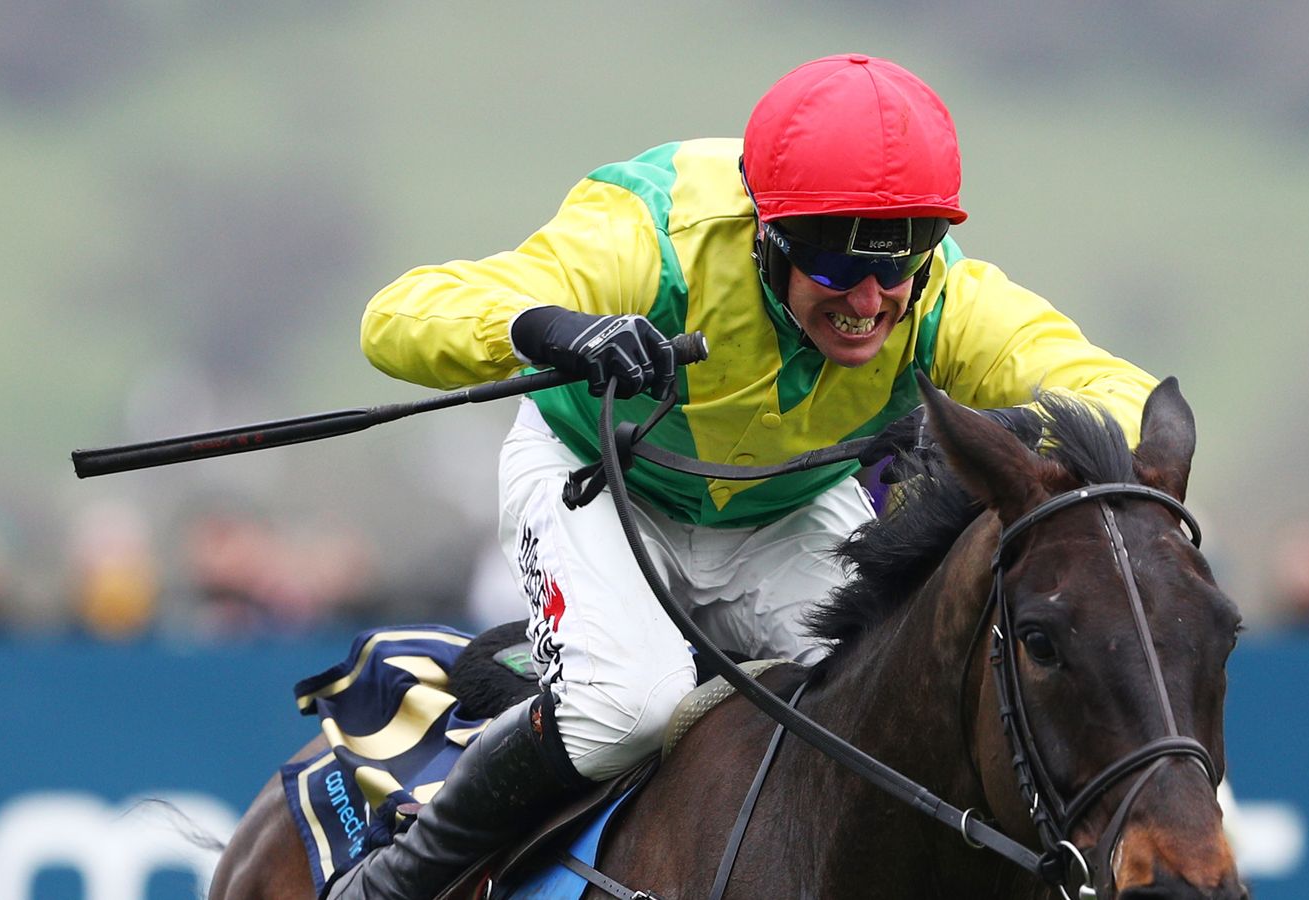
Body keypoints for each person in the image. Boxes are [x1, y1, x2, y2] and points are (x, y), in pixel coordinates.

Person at [332, 53, 1160, 898]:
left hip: (784, 515)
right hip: (601, 483)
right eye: (834, 268)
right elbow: (394, 318)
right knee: (627, 705)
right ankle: (394, 880)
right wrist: (550, 327)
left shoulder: (948, 299)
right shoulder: (648, 236)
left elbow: (1123, 399)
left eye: (896, 265)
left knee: (897, 707)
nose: (868, 302)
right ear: (767, 235)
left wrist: (1013, 430)